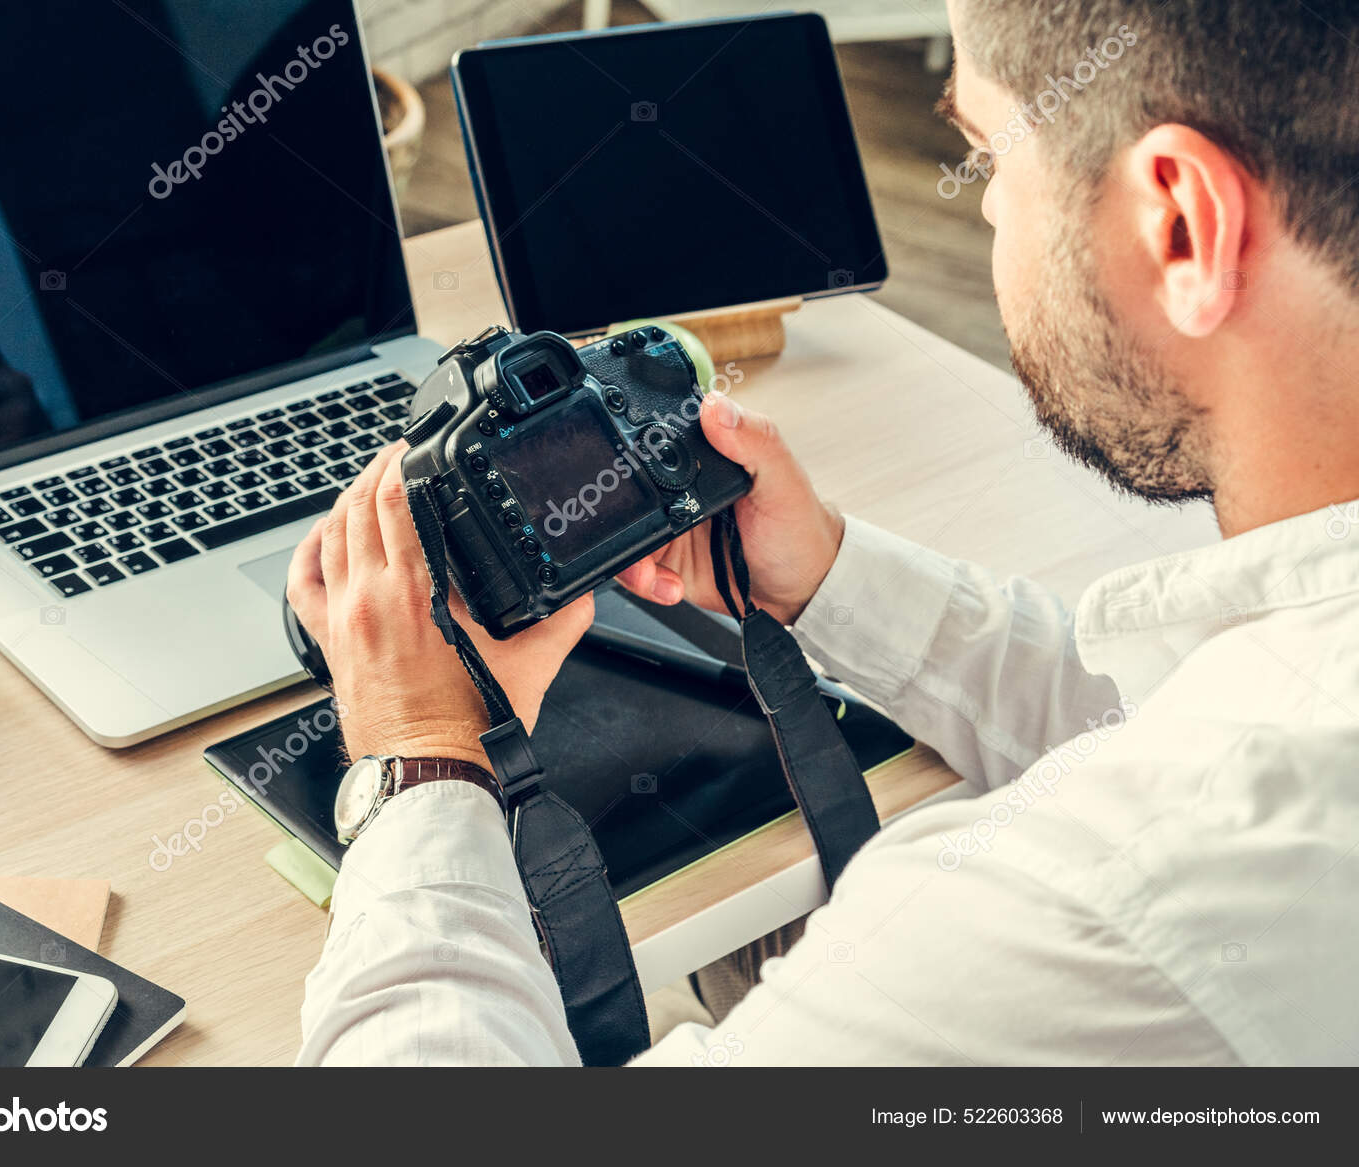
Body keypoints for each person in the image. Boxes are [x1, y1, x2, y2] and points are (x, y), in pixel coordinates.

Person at [286, 0, 1359, 1065]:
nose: (986, 208)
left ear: (1180, 223)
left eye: (987, 160)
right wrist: (828, 579)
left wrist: (415, 757)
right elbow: (1168, 720)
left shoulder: (1092, 913)